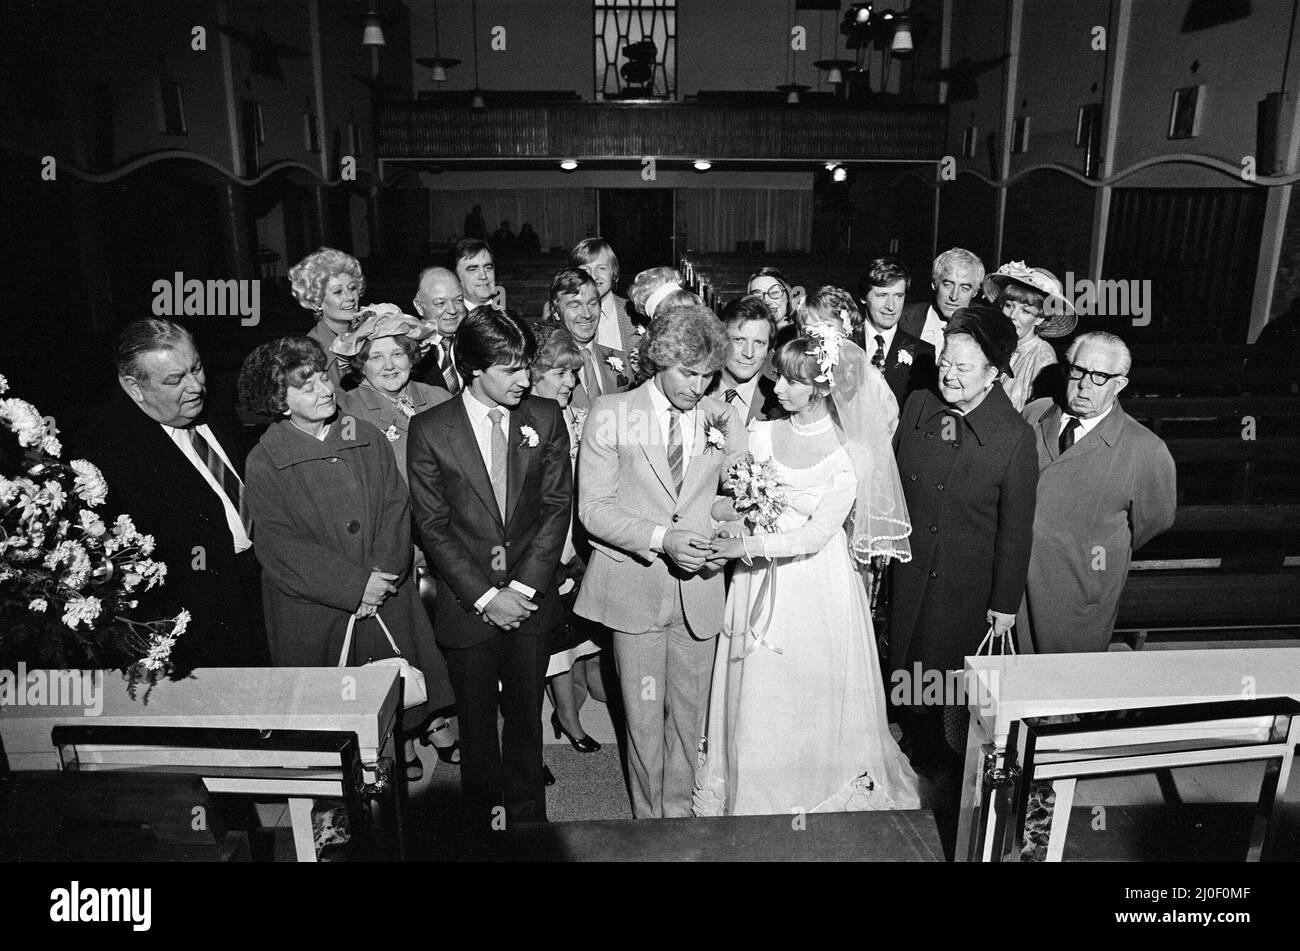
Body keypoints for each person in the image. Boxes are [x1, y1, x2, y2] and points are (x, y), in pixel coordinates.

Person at [695, 325, 920, 816]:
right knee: (758, 682)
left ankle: (812, 782)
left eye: (792, 382)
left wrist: (745, 544)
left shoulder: (849, 454)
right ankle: (751, 783)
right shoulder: (759, 433)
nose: (777, 388)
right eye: (779, 377)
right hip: (755, 577)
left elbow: (816, 536)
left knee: (804, 681)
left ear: (822, 386)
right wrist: (725, 516)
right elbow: (728, 499)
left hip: (814, 583)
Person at [238, 336, 454, 782]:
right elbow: (279, 547)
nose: (323, 389)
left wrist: (381, 575)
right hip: (317, 608)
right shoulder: (264, 461)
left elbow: (396, 508)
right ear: (279, 402)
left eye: (322, 377)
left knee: (395, 688)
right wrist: (354, 587)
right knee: (339, 714)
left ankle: (403, 746)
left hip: (385, 589)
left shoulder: (366, 436)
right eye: (306, 386)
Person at [575, 305, 747, 819]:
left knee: (689, 718)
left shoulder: (723, 415)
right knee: (645, 719)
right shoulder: (610, 412)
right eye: (687, 374)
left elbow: (727, 497)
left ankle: (679, 818)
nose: (698, 386)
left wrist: (729, 524)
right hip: (635, 587)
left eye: (707, 375)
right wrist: (661, 538)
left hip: (700, 589)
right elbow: (593, 509)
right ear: (658, 360)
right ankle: (649, 826)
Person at [407, 307, 572, 835]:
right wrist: (486, 597)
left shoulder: (544, 417)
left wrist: (521, 588)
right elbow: (432, 527)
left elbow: (555, 507)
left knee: (525, 722)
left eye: (526, 366)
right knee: (477, 728)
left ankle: (528, 830)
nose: (524, 379)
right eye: (510, 369)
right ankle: (485, 832)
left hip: (531, 597)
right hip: (467, 605)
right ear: (474, 369)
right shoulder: (431, 429)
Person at [890, 304, 1038, 806]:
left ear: (994, 374)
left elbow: (1016, 530)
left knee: (946, 682)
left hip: (962, 583)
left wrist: (1004, 603)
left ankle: (944, 772)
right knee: (907, 666)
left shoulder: (1014, 437)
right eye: (945, 363)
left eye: (964, 368)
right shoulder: (919, 406)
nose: (949, 376)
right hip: (910, 570)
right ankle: (913, 749)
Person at [70, 319, 268, 670]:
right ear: (134, 387)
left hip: (263, 579)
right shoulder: (109, 451)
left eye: (196, 368)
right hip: (206, 611)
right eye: (174, 380)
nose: (195, 386)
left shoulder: (212, 401)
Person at [330, 306, 462, 766]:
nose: (389, 364)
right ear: (359, 364)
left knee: (440, 632)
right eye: (376, 356)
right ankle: (402, 734)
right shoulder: (346, 409)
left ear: (413, 354)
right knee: (400, 636)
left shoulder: (438, 396)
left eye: (398, 353)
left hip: (444, 534)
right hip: (387, 539)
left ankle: (439, 717)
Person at [1019, 333, 1177, 653]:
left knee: (1065, 692)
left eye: (1100, 377)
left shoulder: (1145, 449)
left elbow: (1153, 522)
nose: (1084, 385)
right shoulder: (1035, 414)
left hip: (1076, 592)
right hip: (1016, 586)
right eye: (1077, 371)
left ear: (1119, 385)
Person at [527, 324, 605, 753]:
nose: (571, 382)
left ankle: (569, 718)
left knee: (568, 641)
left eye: (573, 373)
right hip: (536, 552)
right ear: (534, 374)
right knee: (534, 652)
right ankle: (529, 739)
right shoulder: (523, 423)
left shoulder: (577, 417)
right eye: (559, 373)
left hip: (577, 546)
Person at [982, 261, 1076, 411]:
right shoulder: (994, 344)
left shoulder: (1043, 356)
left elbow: (1040, 414)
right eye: (1009, 305)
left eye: (1025, 311)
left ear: (1041, 318)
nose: (1012, 316)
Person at [856, 258, 937, 410]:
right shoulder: (842, 343)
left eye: (898, 296)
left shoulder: (922, 353)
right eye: (882, 295)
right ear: (863, 297)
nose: (891, 306)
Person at [546, 268, 628, 411]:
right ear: (556, 312)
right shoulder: (546, 366)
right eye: (575, 306)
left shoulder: (621, 360)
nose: (586, 314)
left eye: (592, 304)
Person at [289, 247, 365, 390]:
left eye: (353, 288)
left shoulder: (369, 331)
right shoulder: (309, 352)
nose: (350, 297)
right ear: (316, 301)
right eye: (338, 292)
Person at [707, 294, 781, 422]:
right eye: (739, 340)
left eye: (759, 342)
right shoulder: (696, 389)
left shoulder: (779, 402)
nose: (749, 353)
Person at [900, 248, 985, 353]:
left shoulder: (984, 327)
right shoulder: (902, 316)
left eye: (964, 288)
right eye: (947, 285)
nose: (954, 296)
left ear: (975, 292)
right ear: (934, 283)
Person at [570, 237, 637, 353]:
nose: (594, 276)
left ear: (613, 272)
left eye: (601, 268)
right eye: (585, 270)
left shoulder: (634, 312)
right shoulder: (565, 312)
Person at [411, 266, 468, 393]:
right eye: (441, 303)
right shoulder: (409, 349)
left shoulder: (478, 340)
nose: (452, 310)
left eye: (458, 301)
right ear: (419, 307)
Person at [450, 238, 509, 315]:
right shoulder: (453, 320)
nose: (483, 276)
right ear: (456, 277)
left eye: (488, 268)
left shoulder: (508, 312)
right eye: (473, 270)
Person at [747, 266, 804, 331]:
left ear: (788, 296)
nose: (766, 301)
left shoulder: (806, 335)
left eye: (774, 293)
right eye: (758, 296)